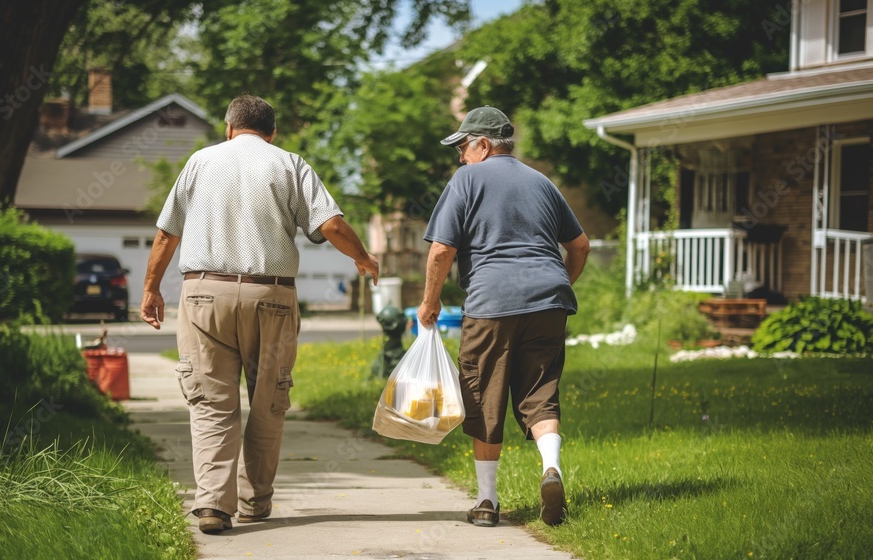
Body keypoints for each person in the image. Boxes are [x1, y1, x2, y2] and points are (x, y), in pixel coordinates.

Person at [141, 95, 379, 534]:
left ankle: (213, 505)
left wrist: (152, 287)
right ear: (271, 132)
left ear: (228, 127)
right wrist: (363, 258)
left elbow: (165, 233)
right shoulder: (289, 163)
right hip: (270, 298)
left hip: (203, 297)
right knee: (268, 401)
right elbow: (331, 225)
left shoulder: (200, 162)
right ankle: (254, 503)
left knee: (212, 403)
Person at [417, 106, 591, 528]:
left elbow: (441, 250)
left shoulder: (467, 179)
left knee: (484, 396)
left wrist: (429, 303)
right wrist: (553, 284)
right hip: (549, 301)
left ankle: (487, 501)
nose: (460, 156)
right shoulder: (542, 181)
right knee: (540, 392)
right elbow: (581, 245)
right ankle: (552, 469)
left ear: (483, 144)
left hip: (491, 303)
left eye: (463, 146)